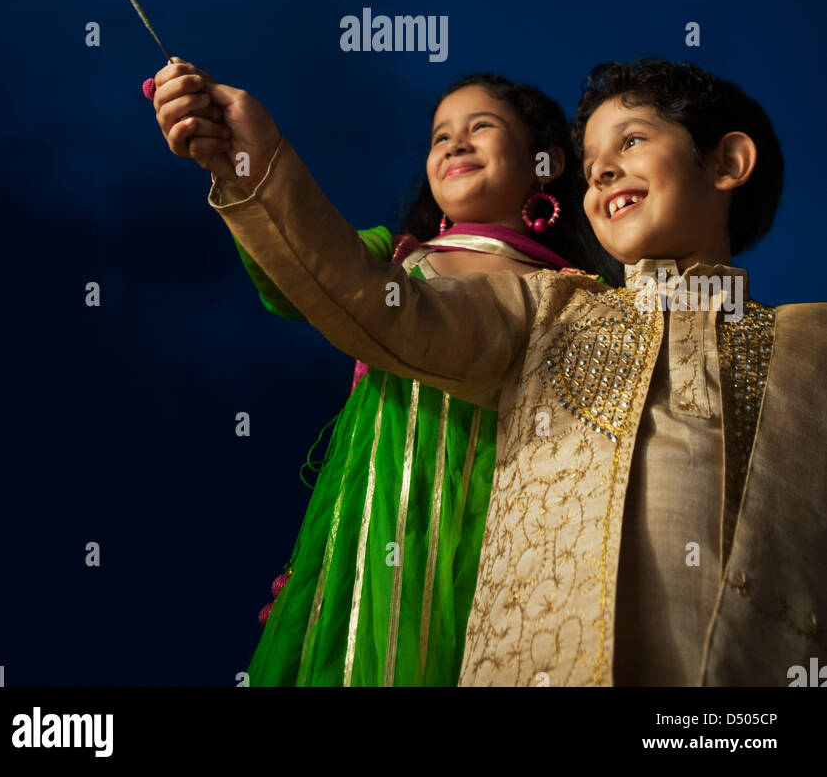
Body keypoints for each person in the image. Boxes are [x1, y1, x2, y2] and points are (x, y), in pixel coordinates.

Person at [152, 54, 827, 686]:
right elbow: (384, 311)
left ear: (728, 162)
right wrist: (254, 160)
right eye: (590, 160)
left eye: (629, 141)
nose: (600, 172)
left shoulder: (811, 343)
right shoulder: (549, 314)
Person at [151, 63, 619, 686]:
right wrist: (241, 162)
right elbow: (301, 278)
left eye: (480, 127)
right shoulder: (392, 258)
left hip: (501, 520)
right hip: (379, 517)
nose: (454, 143)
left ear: (546, 164)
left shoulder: (581, 299)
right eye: (439, 136)